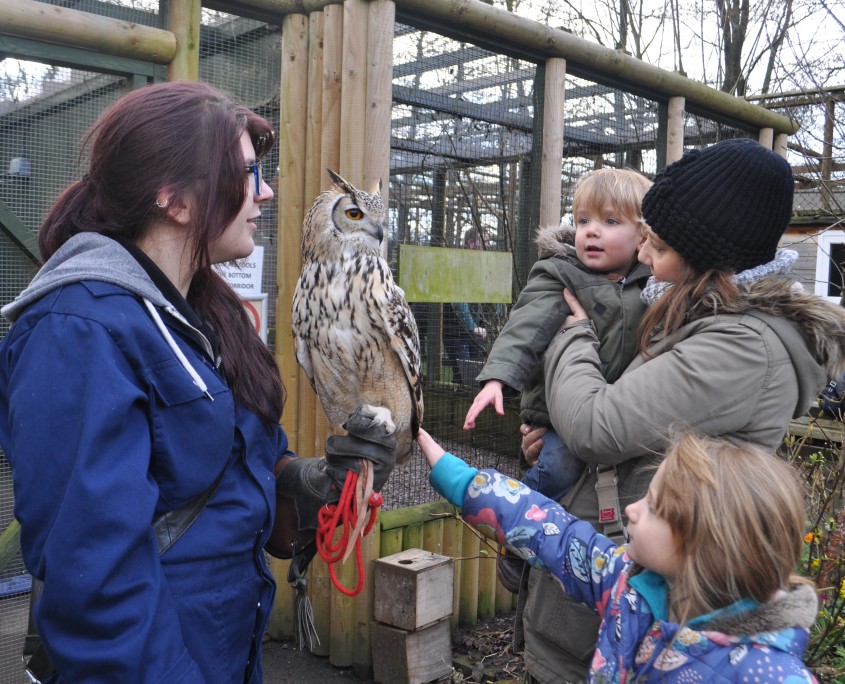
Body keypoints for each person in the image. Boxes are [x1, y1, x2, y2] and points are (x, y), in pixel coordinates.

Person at [0, 81, 395, 683]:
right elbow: (97, 588)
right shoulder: (78, 331)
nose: (266, 191)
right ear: (175, 199)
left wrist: (309, 488)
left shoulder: (208, 313)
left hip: (226, 655)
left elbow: (228, 479)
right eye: (247, 172)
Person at [517, 138, 845, 682]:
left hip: (636, 617)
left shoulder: (741, 348)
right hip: (605, 597)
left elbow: (597, 426)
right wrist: (555, 433)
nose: (643, 255)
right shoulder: (698, 320)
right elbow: (611, 425)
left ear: (708, 260)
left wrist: (568, 333)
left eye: (660, 246)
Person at [417, 427, 820, 683]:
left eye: (654, 506)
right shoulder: (627, 582)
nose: (632, 509)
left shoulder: (770, 674)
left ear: (707, 546)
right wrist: (461, 479)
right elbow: (551, 532)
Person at [464, 168, 653, 505]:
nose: (591, 231)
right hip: (558, 415)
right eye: (583, 221)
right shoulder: (560, 272)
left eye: (610, 222)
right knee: (558, 470)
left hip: (615, 412)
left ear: (642, 236)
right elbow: (525, 325)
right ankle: (518, 519)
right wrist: (497, 378)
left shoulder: (652, 284)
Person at [443, 227, 489, 383]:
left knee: (473, 379)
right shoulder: (459, 264)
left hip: (474, 334)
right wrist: (472, 326)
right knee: (464, 379)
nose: (487, 245)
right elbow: (458, 299)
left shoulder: (482, 266)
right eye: (483, 241)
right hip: (456, 333)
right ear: (470, 243)